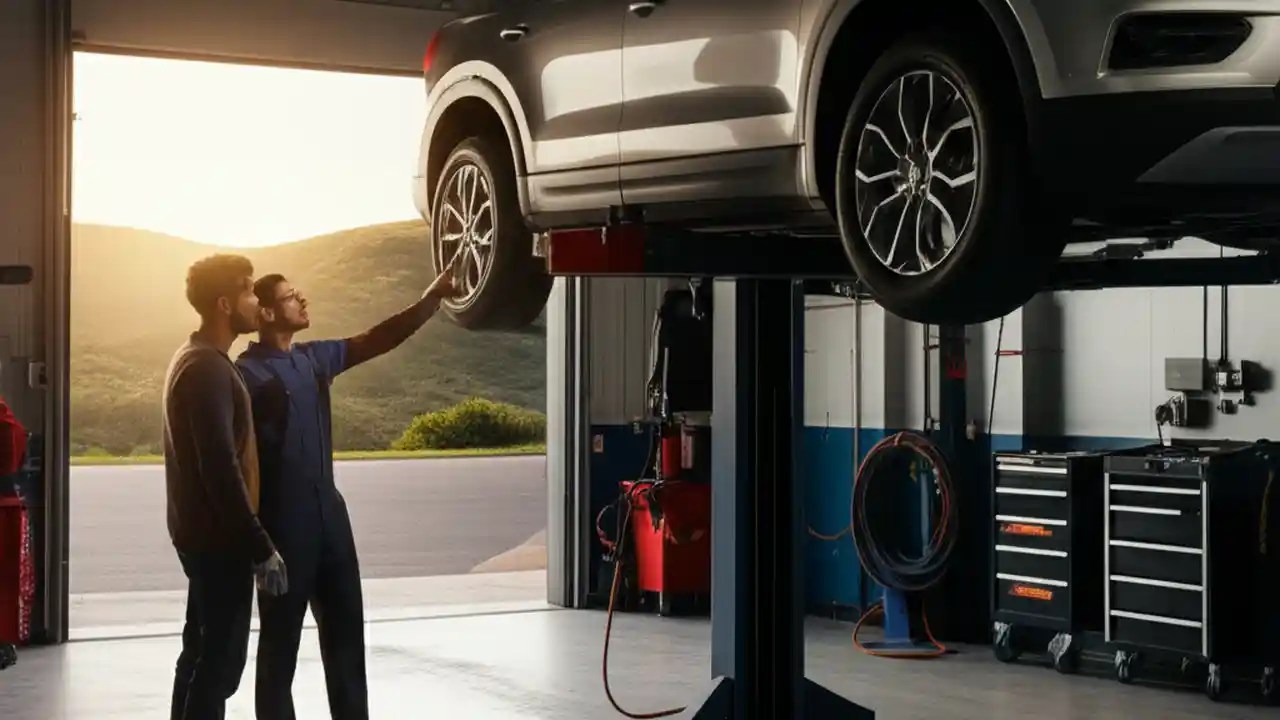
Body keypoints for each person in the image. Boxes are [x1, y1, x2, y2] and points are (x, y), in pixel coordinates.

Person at [236, 262, 460, 720]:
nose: (302, 299)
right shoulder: (244, 375)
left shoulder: (313, 359)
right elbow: (231, 462)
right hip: (282, 527)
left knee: (347, 643)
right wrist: (254, 542)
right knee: (279, 652)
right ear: (267, 314)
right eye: (291, 296)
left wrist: (431, 298)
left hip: (331, 521)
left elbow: (377, 339)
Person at [163, 254, 288, 720]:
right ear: (223, 303)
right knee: (220, 665)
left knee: (199, 654)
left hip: (205, 536)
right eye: (250, 291)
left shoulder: (202, 358)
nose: (257, 301)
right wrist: (259, 546)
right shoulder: (207, 369)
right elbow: (219, 466)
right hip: (219, 542)